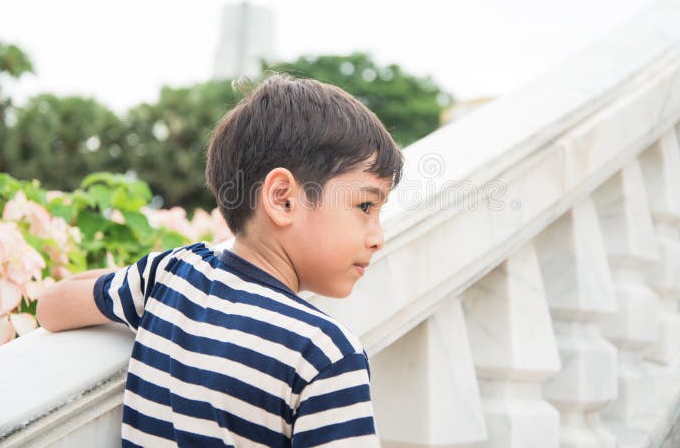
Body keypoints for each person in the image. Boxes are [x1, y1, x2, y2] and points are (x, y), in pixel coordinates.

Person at [36, 75, 404, 447]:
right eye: (365, 206)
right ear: (283, 199)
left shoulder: (170, 276)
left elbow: (51, 307)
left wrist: (136, 275)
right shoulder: (325, 354)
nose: (377, 238)